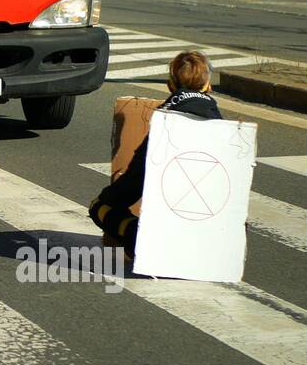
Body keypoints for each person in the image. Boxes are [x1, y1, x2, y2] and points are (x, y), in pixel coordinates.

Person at [88, 51, 222, 260]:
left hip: (170, 224)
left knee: (99, 207)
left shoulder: (164, 123)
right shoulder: (225, 127)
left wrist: (106, 198)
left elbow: (134, 183)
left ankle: (139, 240)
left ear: (171, 85)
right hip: (212, 227)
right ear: (208, 87)